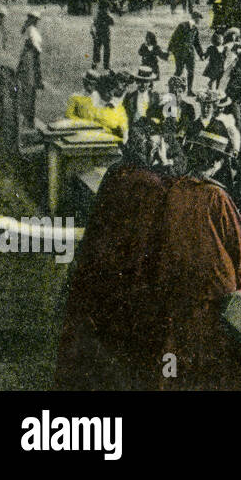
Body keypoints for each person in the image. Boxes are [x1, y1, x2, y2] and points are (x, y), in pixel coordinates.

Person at [55, 123, 171, 390]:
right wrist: (163, 164)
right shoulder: (152, 185)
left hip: (97, 269)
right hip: (126, 278)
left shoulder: (115, 171)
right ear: (152, 150)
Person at [152, 131, 241, 390]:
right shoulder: (217, 196)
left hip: (177, 284)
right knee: (207, 354)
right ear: (217, 163)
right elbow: (238, 245)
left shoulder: (176, 189)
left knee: (176, 348)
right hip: (210, 290)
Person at [15, 10, 43, 128]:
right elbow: (36, 47)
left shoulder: (29, 29)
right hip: (31, 59)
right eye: (35, 19)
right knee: (29, 87)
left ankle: (28, 118)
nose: (36, 22)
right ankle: (28, 119)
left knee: (29, 87)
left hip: (29, 58)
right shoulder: (31, 30)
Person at [168, 10, 205, 93]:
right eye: (199, 19)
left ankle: (190, 91)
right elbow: (174, 38)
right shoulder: (182, 26)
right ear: (195, 18)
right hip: (180, 53)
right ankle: (173, 88)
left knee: (191, 72)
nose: (200, 21)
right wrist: (170, 50)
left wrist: (201, 54)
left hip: (190, 54)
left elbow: (197, 43)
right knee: (179, 71)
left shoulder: (195, 29)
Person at [90, 1, 114, 70]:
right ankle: (102, 64)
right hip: (102, 35)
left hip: (101, 35)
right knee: (102, 49)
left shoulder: (99, 15)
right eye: (107, 9)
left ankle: (98, 63)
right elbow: (112, 22)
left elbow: (112, 22)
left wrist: (93, 33)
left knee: (99, 50)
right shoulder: (103, 15)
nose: (107, 10)